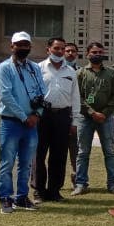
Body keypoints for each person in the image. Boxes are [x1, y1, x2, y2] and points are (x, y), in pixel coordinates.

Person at [0, 31, 47, 213]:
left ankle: (22, 197)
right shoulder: (4, 68)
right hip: (11, 122)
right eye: (19, 44)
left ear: (30, 47)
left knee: (26, 163)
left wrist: (37, 114)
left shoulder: (34, 68)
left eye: (26, 45)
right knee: (7, 162)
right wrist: (24, 117)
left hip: (31, 123)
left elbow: (42, 93)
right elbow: (6, 96)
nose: (23, 48)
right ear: (12, 46)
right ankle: (5, 198)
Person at [33, 36, 81, 203]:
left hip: (63, 116)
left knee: (59, 155)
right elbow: (33, 94)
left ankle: (54, 191)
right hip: (42, 116)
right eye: (56, 48)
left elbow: (75, 98)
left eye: (62, 49)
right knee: (39, 154)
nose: (60, 52)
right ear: (48, 50)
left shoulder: (71, 72)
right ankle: (39, 190)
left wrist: (74, 121)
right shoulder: (38, 69)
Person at [72, 41, 114, 196]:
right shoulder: (80, 73)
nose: (97, 55)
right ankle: (81, 184)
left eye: (100, 52)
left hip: (105, 118)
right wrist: (92, 112)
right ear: (87, 54)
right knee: (82, 152)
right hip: (85, 118)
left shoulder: (112, 73)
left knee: (109, 151)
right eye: (94, 52)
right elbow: (77, 96)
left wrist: (104, 113)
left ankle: (113, 184)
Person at [64, 41, 81, 187]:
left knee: (75, 149)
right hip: (58, 115)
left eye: (73, 51)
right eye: (67, 51)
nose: (70, 53)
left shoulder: (80, 71)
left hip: (75, 116)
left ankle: (76, 178)